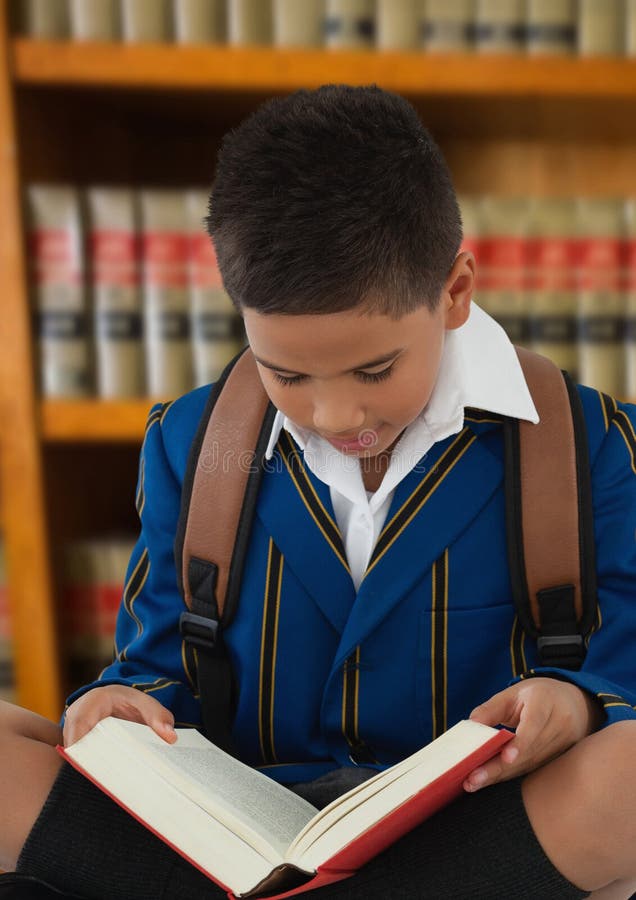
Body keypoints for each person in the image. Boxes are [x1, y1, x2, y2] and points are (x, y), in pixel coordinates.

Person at [1, 85, 635, 900]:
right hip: (229, 840)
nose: (337, 415)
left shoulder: (583, 442)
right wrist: (120, 704)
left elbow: (620, 660)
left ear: (454, 291)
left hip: (467, 836)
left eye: (375, 370)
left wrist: (577, 705)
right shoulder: (190, 443)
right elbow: (157, 661)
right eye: (287, 373)